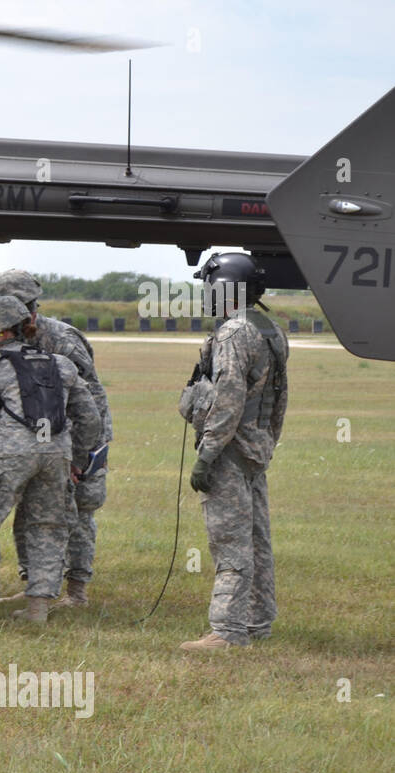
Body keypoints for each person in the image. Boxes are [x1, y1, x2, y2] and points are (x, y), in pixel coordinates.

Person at [0, 295, 101, 627]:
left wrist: (3, 454)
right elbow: (90, 418)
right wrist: (76, 460)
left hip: (11, 449)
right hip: (57, 453)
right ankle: (38, 611)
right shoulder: (61, 364)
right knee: (48, 529)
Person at [179, 253, 288, 651]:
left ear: (226, 289)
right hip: (255, 450)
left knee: (230, 541)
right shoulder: (269, 328)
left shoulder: (232, 334)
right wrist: (267, 441)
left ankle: (227, 631)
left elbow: (227, 400)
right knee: (257, 538)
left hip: (228, 451)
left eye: (211, 287)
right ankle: (258, 621)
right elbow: (279, 399)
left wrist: (207, 454)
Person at [0, 269, 112, 607]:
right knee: (30, 510)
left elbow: (88, 405)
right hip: (35, 442)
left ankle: (75, 592)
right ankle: (36, 586)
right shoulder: (5, 336)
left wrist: (78, 457)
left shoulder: (61, 341)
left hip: (77, 440)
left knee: (77, 512)